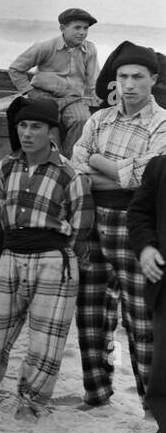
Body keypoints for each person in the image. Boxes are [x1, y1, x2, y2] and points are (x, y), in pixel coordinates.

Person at [0, 98, 94, 420]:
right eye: (22, 125)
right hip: (12, 254)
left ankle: (32, 401)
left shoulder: (70, 175)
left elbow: (81, 227)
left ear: (52, 133)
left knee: (45, 341)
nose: (27, 133)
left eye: (36, 127)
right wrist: (14, 247)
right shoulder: (6, 166)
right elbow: (4, 211)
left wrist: (60, 259)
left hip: (54, 258)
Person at [71, 42, 166, 410]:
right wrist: (117, 172)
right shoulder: (98, 119)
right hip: (92, 218)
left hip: (135, 223)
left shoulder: (161, 123)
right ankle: (96, 393)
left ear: (153, 80)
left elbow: (148, 177)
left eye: (138, 77)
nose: (129, 84)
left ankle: (150, 403)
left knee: (142, 320)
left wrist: (99, 162)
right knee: (91, 312)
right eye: (123, 76)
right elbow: (77, 165)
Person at [8, 8, 100, 156]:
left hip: (72, 99)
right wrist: (29, 92)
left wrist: (99, 95)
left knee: (83, 120)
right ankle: (53, 162)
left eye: (85, 28)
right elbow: (15, 69)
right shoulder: (45, 47)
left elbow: (93, 79)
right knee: (50, 127)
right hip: (44, 97)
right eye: (77, 27)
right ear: (63, 28)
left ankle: (68, 164)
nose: (82, 32)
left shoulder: (90, 49)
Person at [128, 153, 166, 433]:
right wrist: (146, 249)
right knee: (163, 367)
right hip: (164, 283)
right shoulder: (160, 166)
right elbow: (139, 214)